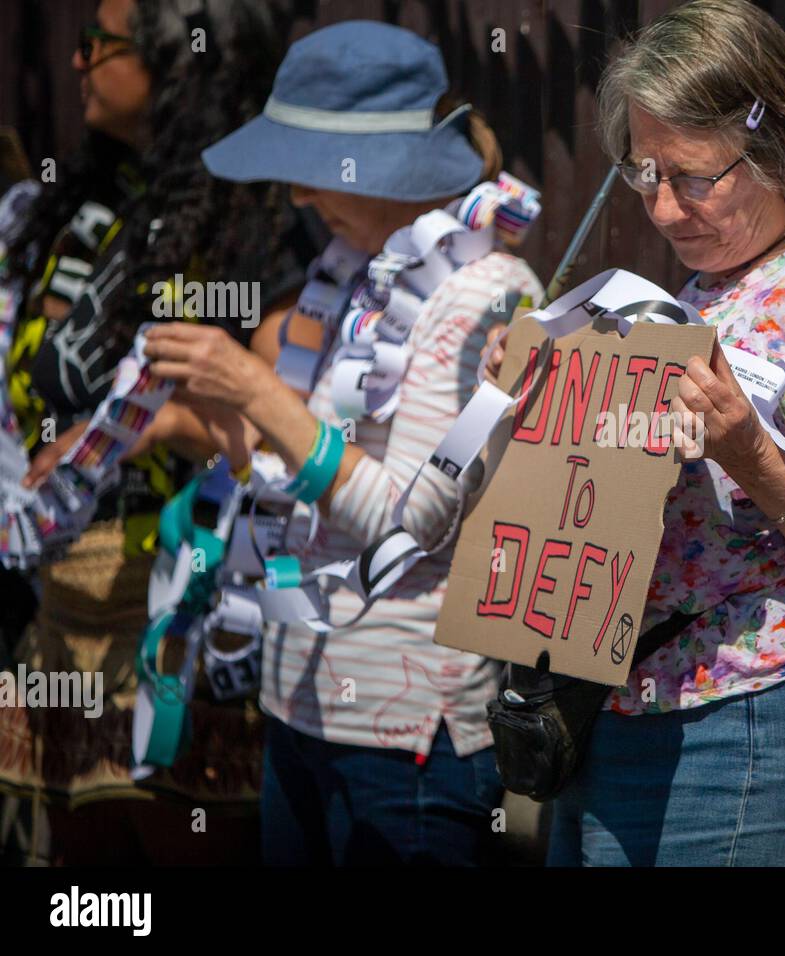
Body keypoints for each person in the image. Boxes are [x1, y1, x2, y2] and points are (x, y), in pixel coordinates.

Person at [484, 0, 785, 866]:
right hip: (628, 714)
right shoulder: (704, 293)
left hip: (744, 731)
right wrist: (531, 401)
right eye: (643, 172)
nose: (664, 207)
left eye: (692, 175)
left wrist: (750, 452)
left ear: (780, 150)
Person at [145, 21, 545, 865]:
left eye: (314, 170)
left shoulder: (485, 291)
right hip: (300, 705)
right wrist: (234, 430)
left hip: (404, 741)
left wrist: (255, 388)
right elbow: (311, 466)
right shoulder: (359, 274)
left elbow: (408, 521)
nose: (295, 196)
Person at [0, 0, 301, 864]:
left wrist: (164, 424)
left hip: (187, 611)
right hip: (64, 609)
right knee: (90, 887)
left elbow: (290, 428)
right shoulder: (69, 212)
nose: (78, 61)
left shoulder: (257, 224)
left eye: (102, 44)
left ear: (179, 64)